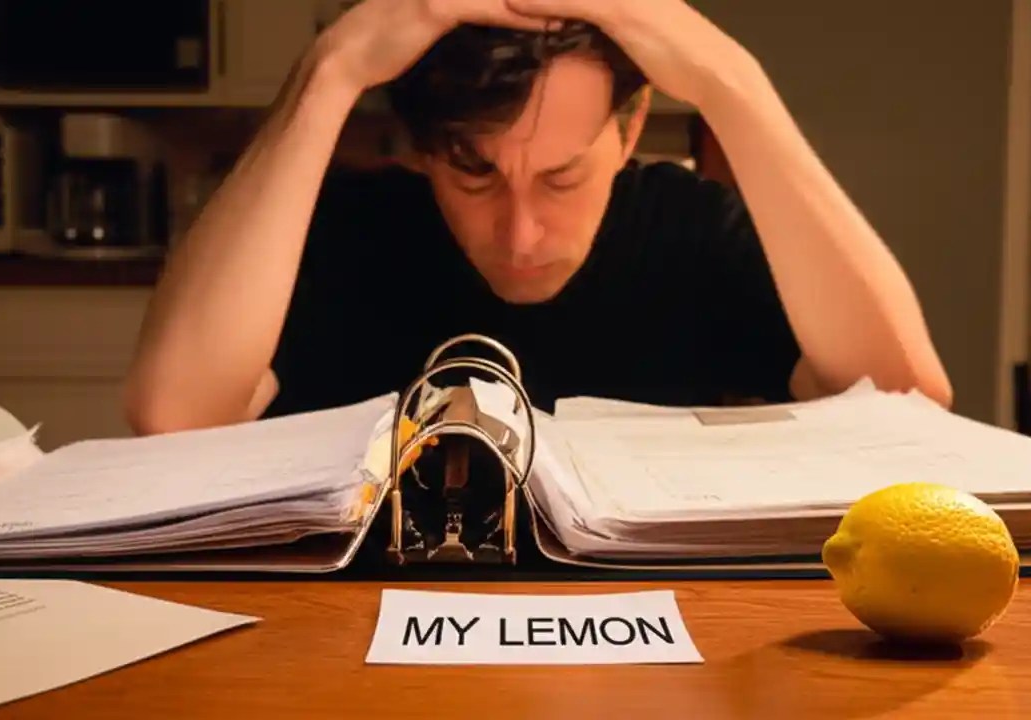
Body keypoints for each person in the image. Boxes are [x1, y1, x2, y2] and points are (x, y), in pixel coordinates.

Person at [122, 0, 952, 434]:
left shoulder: (692, 229)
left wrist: (734, 81)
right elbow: (174, 414)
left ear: (629, 129)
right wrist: (331, 68)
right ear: (420, 149)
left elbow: (909, 401)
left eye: (560, 177)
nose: (520, 236)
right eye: (473, 173)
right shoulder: (339, 229)